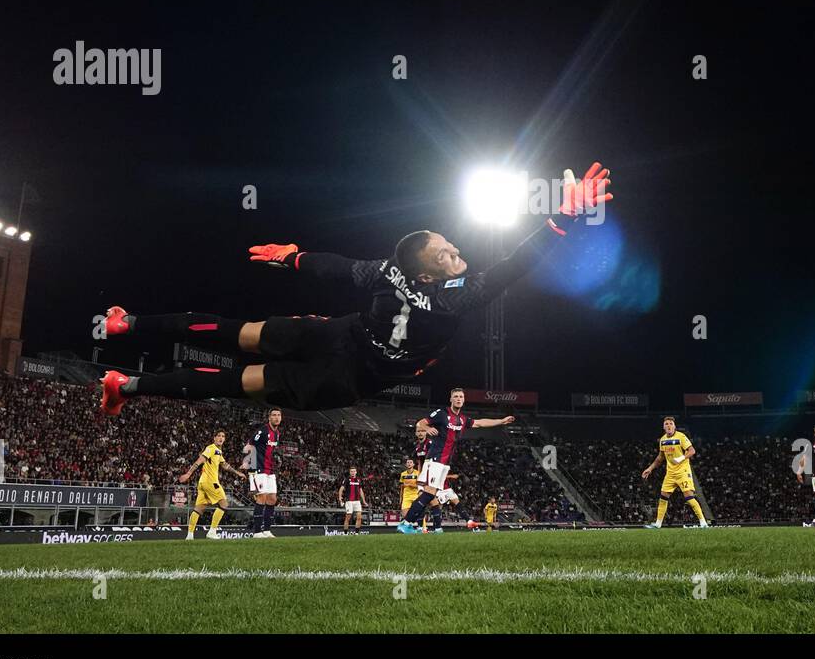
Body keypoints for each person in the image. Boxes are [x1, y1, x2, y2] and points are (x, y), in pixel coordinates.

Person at [96, 163, 612, 414]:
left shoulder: (387, 272)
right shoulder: (460, 295)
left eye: (450, 244)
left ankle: (128, 325)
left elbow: (338, 268)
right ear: (427, 274)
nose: (456, 250)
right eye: (446, 252)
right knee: (239, 377)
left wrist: (295, 258)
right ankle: (126, 383)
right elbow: (517, 264)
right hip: (348, 373)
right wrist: (563, 216)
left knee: (238, 339)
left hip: (341, 342)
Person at [398, 389, 514, 533]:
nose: (458, 399)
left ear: (463, 400)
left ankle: (410, 523)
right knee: (428, 494)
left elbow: (480, 423)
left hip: (444, 463)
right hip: (436, 459)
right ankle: (406, 523)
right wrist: (427, 428)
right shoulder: (442, 413)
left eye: (461, 397)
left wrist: (501, 421)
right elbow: (421, 422)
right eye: (456, 397)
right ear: (451, 399)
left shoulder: (463, 419)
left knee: (430, 495)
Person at [642, 416, 709, 528]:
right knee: (663, 497)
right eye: (666, 424)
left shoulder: (681, 437)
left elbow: (692, 451)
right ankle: (658, 524)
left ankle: (703, 523)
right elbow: (660, 458)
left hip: (683, 472)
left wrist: (681, 458)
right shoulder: (663, 440)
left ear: (674, 426)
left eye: (671, 424)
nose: (668, 425)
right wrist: (650, 468)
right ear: (663, 427)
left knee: (689, 497)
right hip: (670, 474)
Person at [180, 429, 247, 539]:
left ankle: (190, 535)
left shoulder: (218, 451)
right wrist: (188, 473)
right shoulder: (211, 448)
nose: (221, 438)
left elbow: (224, 465)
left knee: (199, 509)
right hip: (211, 482)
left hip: (202, 483)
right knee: (224, 504)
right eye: (219, 436)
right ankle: (212, 531)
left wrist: (237, 472)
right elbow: (200, 460)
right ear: (214, 438)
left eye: (223, 436)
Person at [241, 408, 282, 538]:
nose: (276, 417)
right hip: (258, 468)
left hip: (270, 469)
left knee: (272, 499)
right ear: (269, 417)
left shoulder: (277, 434)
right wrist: (247, 462)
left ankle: (267, 530)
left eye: (279, 415)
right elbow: (249, 445)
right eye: (274, 415)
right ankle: (257, 532)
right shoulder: (262, 430)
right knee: (261, 497)